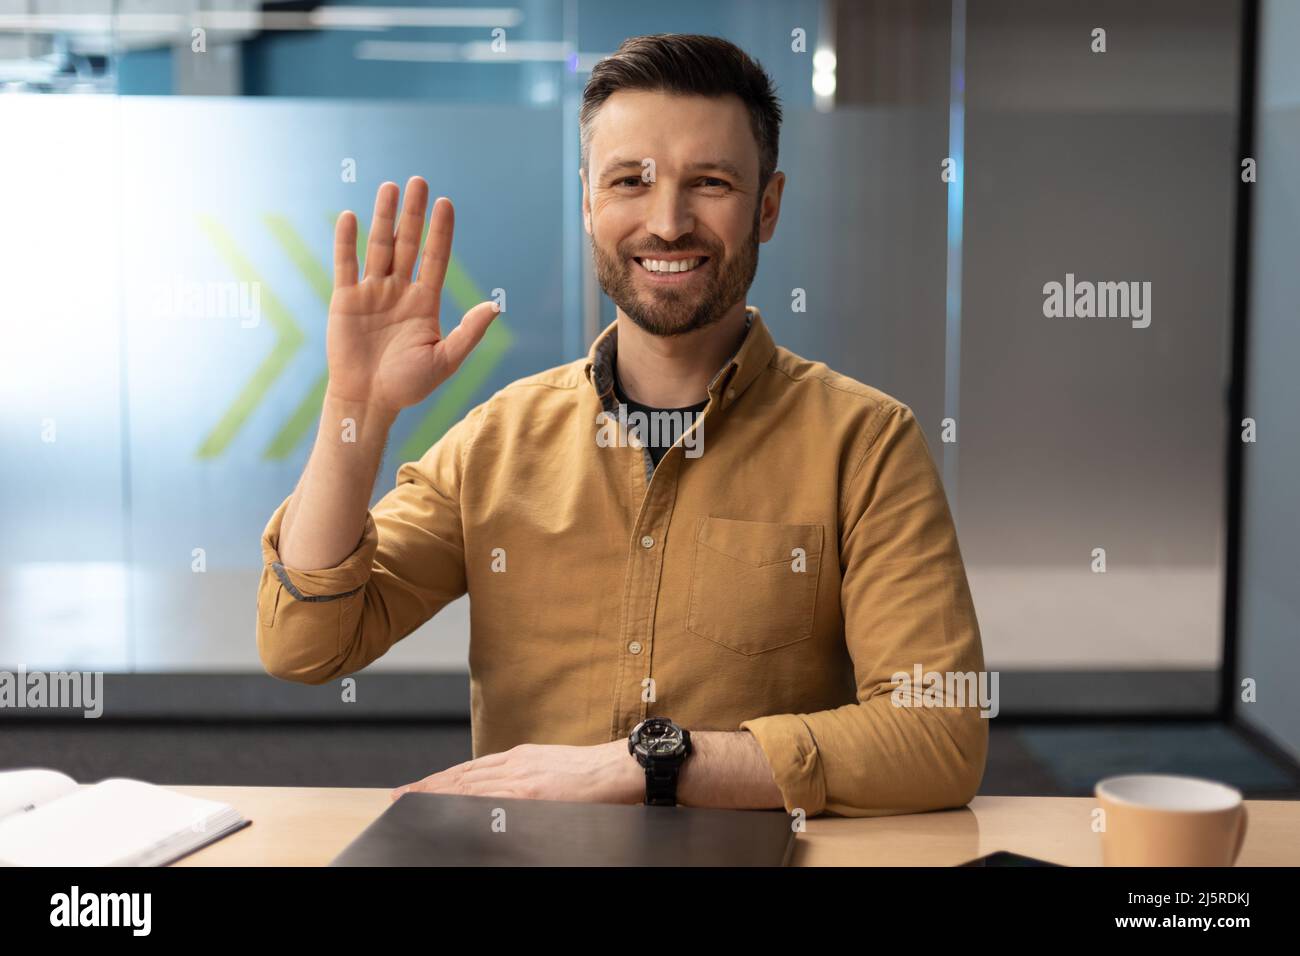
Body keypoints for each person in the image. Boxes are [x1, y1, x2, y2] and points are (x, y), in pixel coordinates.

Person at [256, 33, 987, 818]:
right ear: (588, 203)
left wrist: (654, 765)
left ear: (767, 206)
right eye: (630, 181)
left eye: (709, 182)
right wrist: (356, 410)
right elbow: (305, 644)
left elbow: (937, 735)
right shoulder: (497, 442)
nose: (668, 223)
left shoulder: (866, 444)